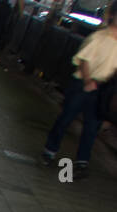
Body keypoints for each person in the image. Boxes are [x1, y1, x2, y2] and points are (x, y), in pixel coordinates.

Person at [40, 7, 117, 177]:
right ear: (112, 16)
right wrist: (88, 80)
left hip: (101, 88)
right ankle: (50, 151)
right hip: (82, 84)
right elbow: (84, 59)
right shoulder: (99, 37)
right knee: (66, 118)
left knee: (92, 126)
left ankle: (82, 162)